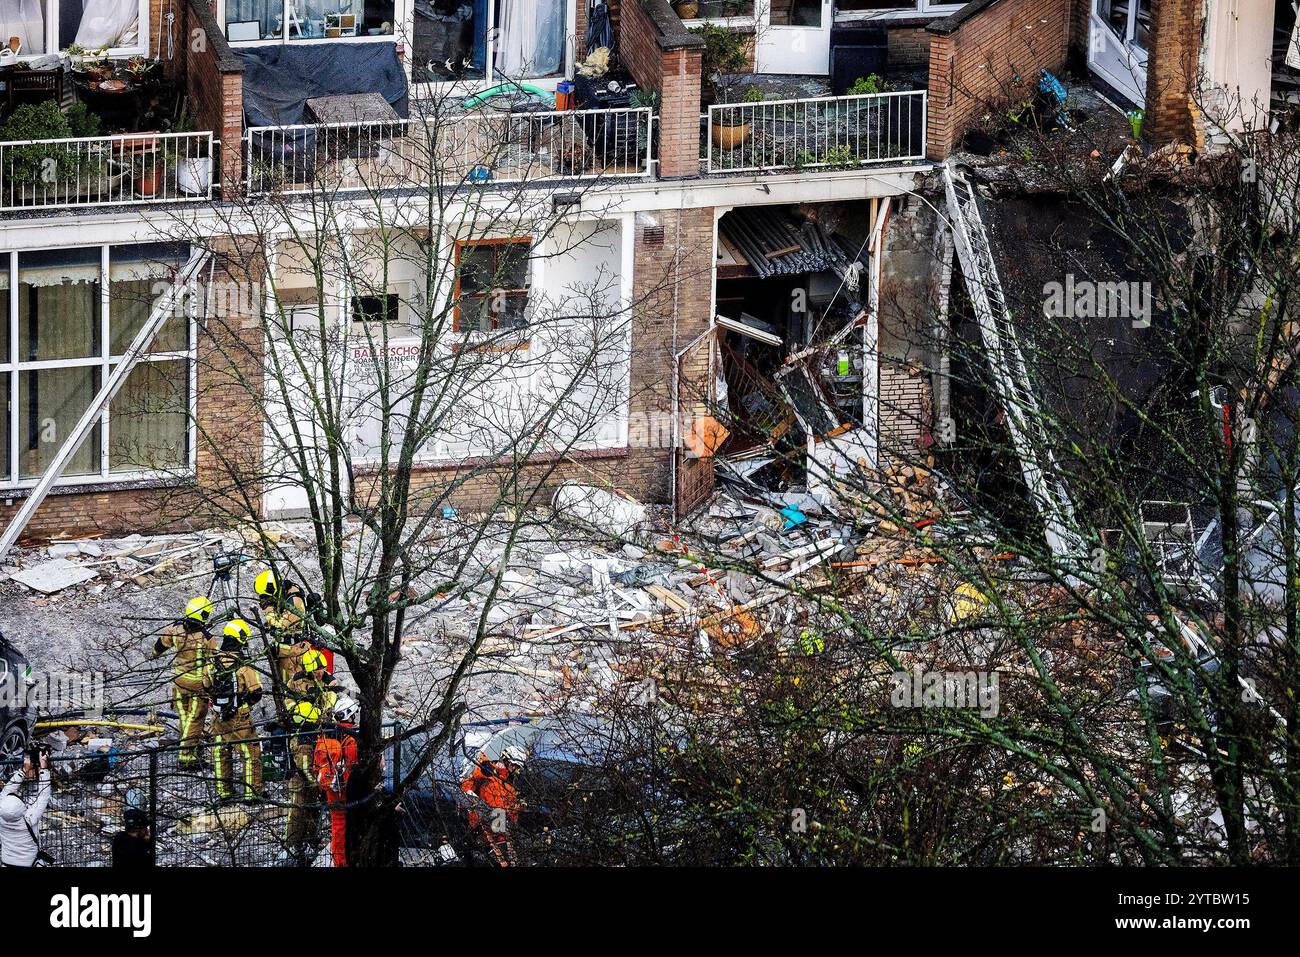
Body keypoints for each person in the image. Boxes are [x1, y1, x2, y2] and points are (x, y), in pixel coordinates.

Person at [153, 596, 217, 769]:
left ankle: (191, 747)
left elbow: (158, 647)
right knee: (195, 719)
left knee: (185, 717)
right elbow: (215, 662)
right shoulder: (207, 638)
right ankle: (186, 757)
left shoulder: (175, 629)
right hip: (197, 685)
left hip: (179, 682)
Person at [205, 619, 265, 802]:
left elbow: (205, 684)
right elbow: (256, 691)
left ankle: (224, 792)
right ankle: (252, 793)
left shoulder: (213, 661)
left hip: (217, 716)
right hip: (239, 717)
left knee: (221, 752)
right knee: (250, 753)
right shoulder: (243, 664)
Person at [284, 689, 336, 863]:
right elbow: (305, 768)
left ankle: (310, 840)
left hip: (310, 781)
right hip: (302, 782)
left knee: (313, 810)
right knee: (298, 811)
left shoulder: (304, 734)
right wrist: (317, 783)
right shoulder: (304, 742)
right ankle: (292, 844)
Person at [313, 695, 359, 866]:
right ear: (350, 715)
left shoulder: (327, 734)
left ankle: (339, 860)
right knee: (346, 827)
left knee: (337, 826)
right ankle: (344, 861)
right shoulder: (350, 738)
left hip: (330, 789)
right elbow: (352, 767)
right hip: (345, 790)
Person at [461, 747, 523, 867]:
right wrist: (482, 770)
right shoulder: (488, 769)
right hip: (481, 820)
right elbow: (466, 785)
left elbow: (511, 806)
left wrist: (514, 817)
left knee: (509, 858)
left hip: (500, 823)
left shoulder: (511, 782)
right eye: (514, 765)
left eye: (517, 767)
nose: (515, 769)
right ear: (507, 760)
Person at [0, 749, 52, 867]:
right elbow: (43, 795)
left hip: (6, 862)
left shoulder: (1, 815)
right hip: (29, 863)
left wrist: (23, 770)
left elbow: (5, 792)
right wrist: (43, 768)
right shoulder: (29, 818)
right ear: (22, 808)